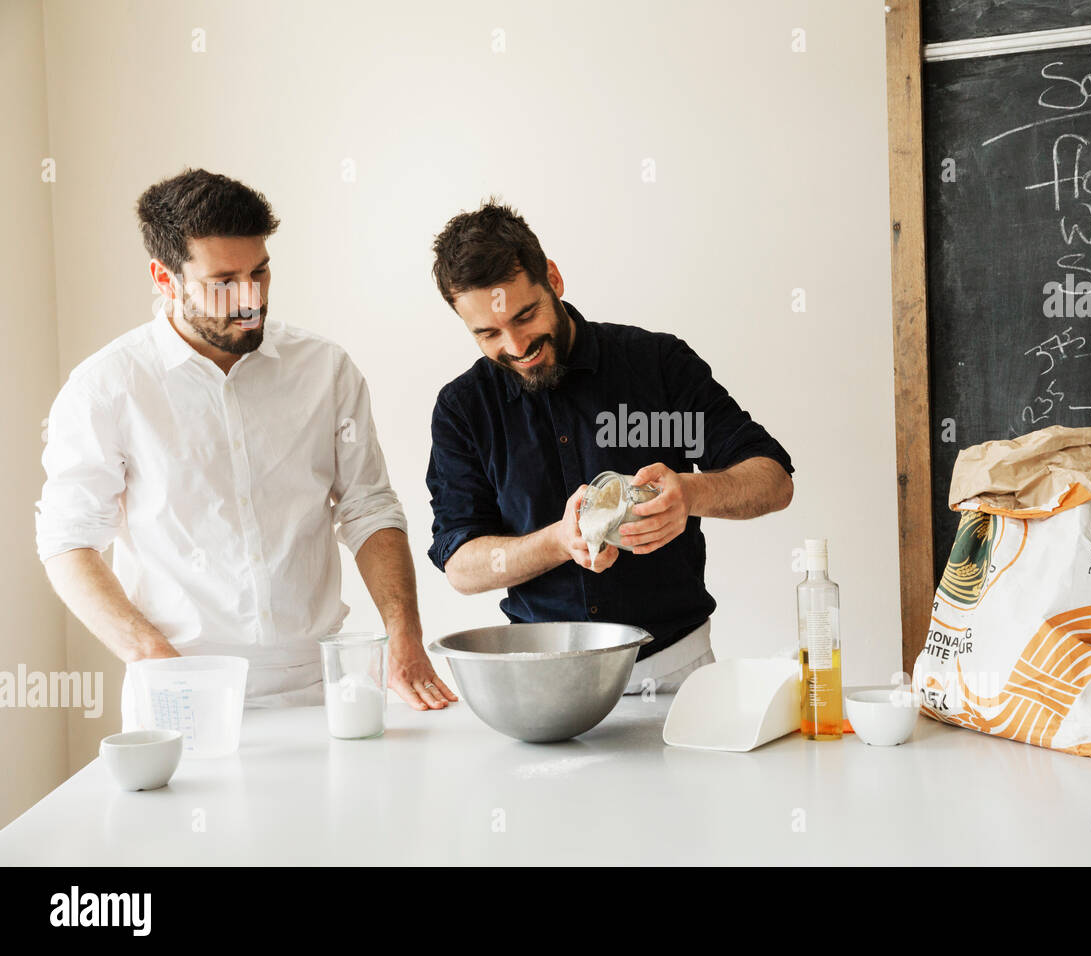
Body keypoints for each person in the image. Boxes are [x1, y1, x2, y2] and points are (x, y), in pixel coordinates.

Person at [37, 168, 456, 716]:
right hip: (178, 685)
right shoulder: (106, 388)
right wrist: (158, 662)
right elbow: (68, 542)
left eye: (260, 272)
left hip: (321, 685)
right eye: (224, 280)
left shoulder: (325, 370)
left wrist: (403, 636)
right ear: (165, 279)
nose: (250, 298)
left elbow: (368, 507)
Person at [426, 200, 795, 694]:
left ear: (553, 279)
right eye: (488, 333)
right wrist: (558, 541)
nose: (516, 346)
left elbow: (773, 480)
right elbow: (462, 567)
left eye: (526, 315)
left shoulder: (655, 363)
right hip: (542, 684)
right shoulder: (462, 409)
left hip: (675, 676)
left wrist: (691, 493)